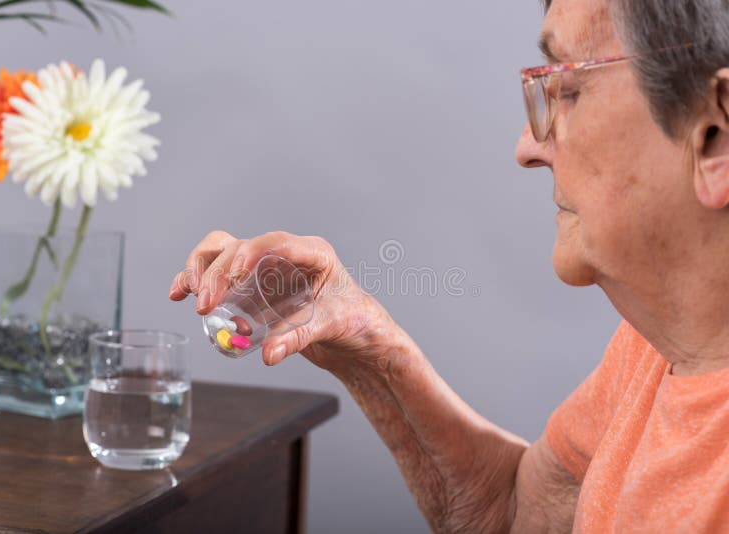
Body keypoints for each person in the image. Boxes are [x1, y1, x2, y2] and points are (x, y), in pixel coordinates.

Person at [169, 0, 729, 530]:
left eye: (569, 89)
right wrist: (367, 344)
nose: (527, 147)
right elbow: (513, 517)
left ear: (715, 138)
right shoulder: (653, 349)